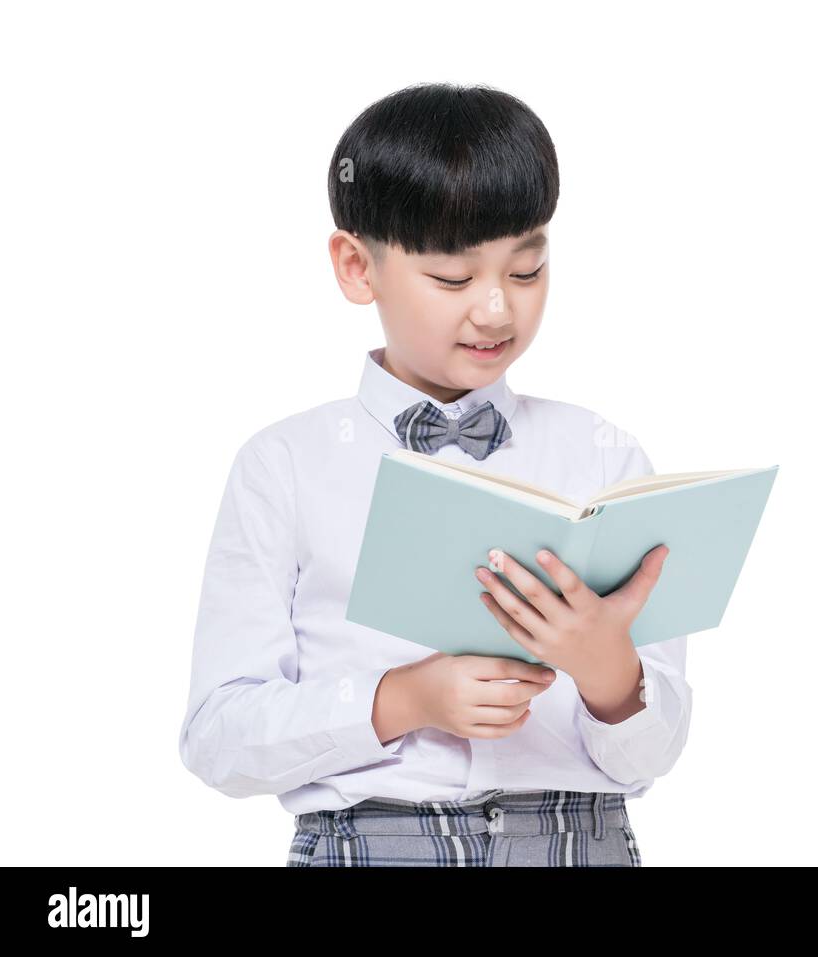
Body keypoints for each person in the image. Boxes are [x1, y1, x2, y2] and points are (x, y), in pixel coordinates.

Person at [177, 83, 692, 867]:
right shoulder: (283, 465)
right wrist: (400, 699)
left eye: (527, 271)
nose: (495, 310)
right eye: (453, 279)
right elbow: (218, 738)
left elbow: (650, 757)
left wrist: (606, 672)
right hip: (370, 844)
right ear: (357, 266)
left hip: (580, 843)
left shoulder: (604, 455)